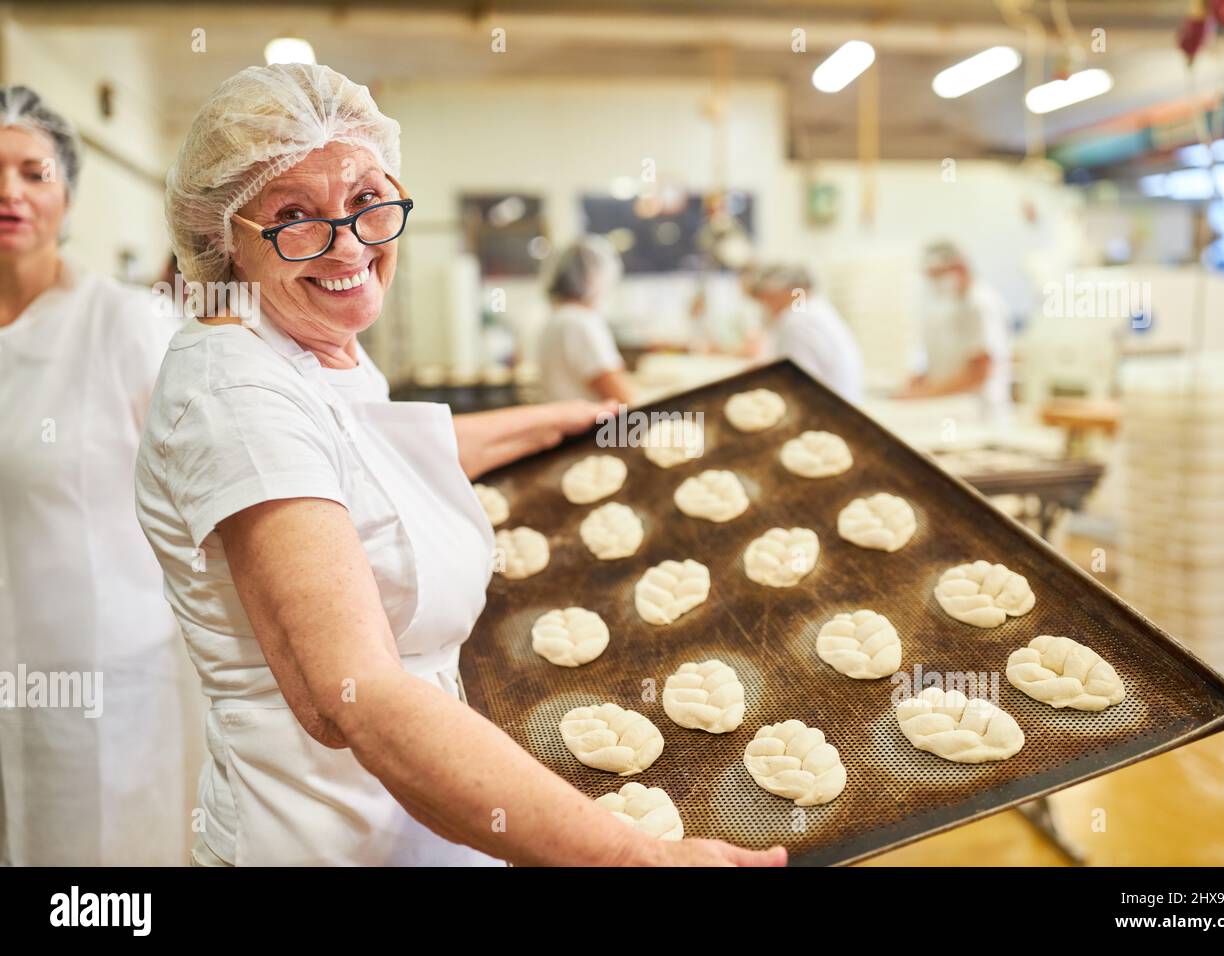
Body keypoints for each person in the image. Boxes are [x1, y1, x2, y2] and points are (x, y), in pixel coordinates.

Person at [137, 63, 786, 867]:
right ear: (220, 237)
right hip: (317, 836)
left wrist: (566, 424)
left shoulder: (307, 346)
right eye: (293, 216)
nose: (346, 243)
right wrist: (629, 859)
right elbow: (356, 699)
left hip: (427, 814)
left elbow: (375, 466)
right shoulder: (232, 394)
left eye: (367, 201)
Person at [0, 86, 199, 864]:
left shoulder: (124, 324)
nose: (8, 192)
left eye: (33, 172)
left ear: (69, 194)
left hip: (104, 690)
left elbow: (201, 487)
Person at [898, 240, 1011, 419]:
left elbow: (980, 371)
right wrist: (918, 381)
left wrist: (926, 395)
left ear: (959, 267)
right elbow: (946, 362)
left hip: (980, 414)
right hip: (953, 411)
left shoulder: (981, 305)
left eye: (938, 275)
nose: (934, 282)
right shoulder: (949, 306)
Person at [749, 263, 864, 404]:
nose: (765, 306)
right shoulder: (814, 310)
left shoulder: (798, 321)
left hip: (824, 410)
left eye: (766, 299)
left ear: (783, 291)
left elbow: (797, 383)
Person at [537, 235, 633, 403]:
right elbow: (621, 395)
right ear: (592, 278)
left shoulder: (557, 319)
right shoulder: (580, 322)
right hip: (594, 427)